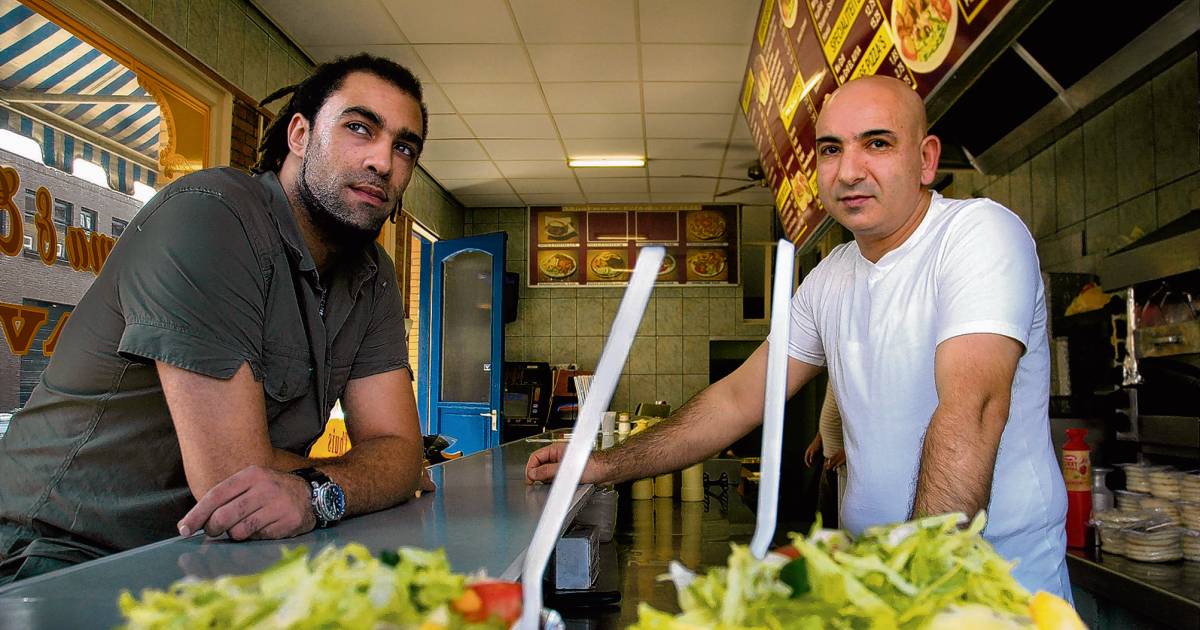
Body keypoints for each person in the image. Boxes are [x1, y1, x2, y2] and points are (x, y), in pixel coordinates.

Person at [526, 75, 1070, 598]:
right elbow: (739, 399)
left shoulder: (978, 234)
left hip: (987, 579)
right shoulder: (831, 276)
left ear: (925, 159)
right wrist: (604, 464)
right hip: (879, 580)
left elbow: (972, 408)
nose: (849, 172)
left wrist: (921, 579)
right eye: (831, 150)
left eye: (876, 144)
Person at [0, 54, 433, 583]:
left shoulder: (374, 274)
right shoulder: (211, 215)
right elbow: (232, 476)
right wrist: (358, 480)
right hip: (55, 553)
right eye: (359, 128)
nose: (382, 162)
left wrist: (327, 488)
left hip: (209, 557)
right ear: (300, 134)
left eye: (404, 146)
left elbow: (401, 453)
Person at [804, 382, 845, 527]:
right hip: (829, 458)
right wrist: (818, 439)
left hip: (848, 466)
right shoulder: (835, 365)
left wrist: (849, 451)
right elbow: (831, 403)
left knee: (841, 526)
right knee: (824, 519)